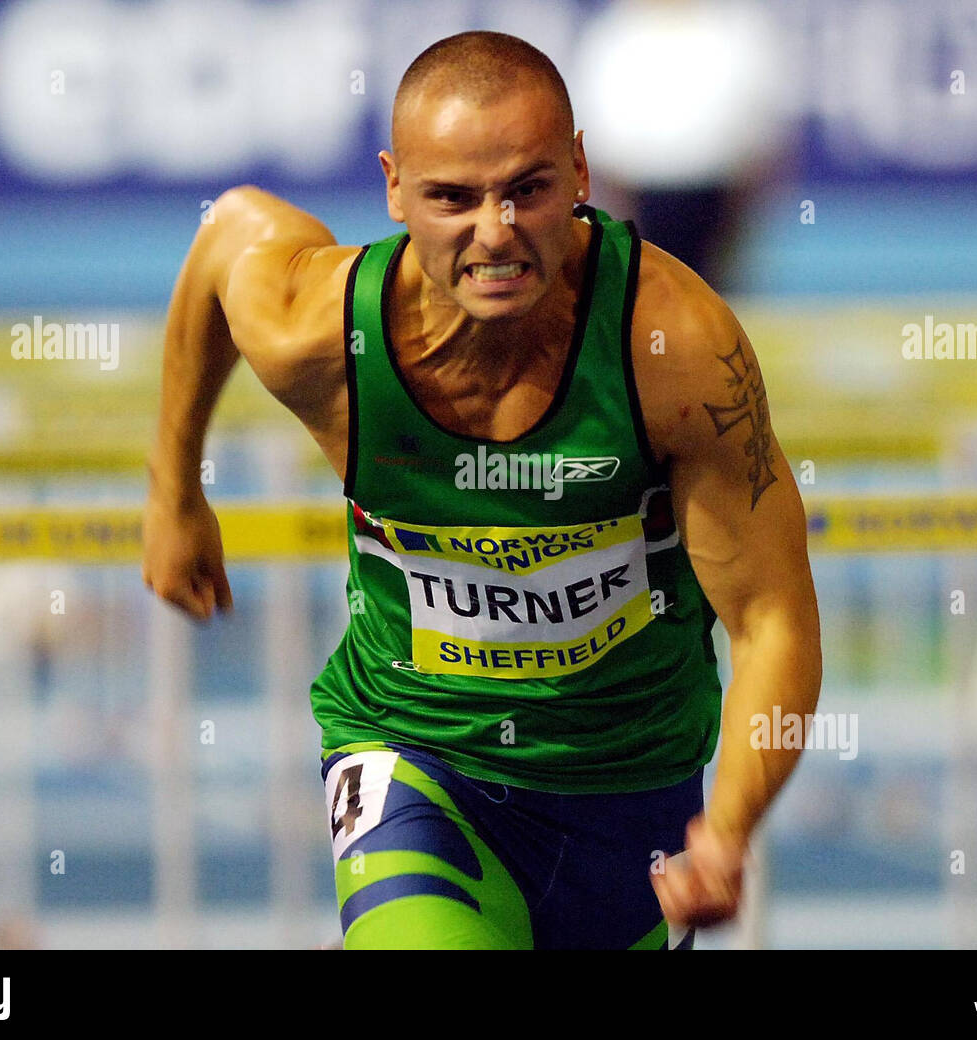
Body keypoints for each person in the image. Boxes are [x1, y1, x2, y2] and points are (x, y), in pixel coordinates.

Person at [143, 30, 821, 950]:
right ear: (393, 188)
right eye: (452, 199)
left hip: (630, 790)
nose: (494, 233)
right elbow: (228, 234)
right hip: (415, 758)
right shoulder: (324, 329)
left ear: (580, 170)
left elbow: (773, 619)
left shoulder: (675, 349)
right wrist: (174, 493)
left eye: (527, 191)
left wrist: (730, 829)